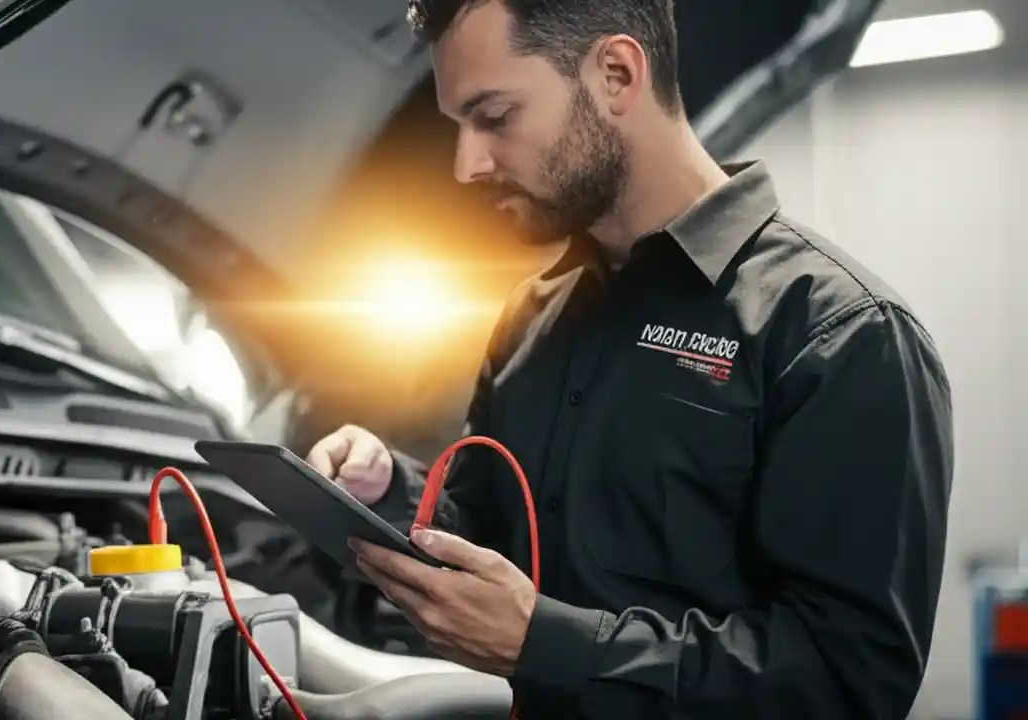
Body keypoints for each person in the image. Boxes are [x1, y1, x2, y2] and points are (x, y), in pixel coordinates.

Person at [306, 0, 954, 718]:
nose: (468, 164)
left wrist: (545, 643)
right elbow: (493, 534)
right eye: (458, 125)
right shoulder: (534, 316)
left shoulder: (839, 333)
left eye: (494, 116)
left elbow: (848, 680)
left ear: (616, 74)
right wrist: (390, 491)